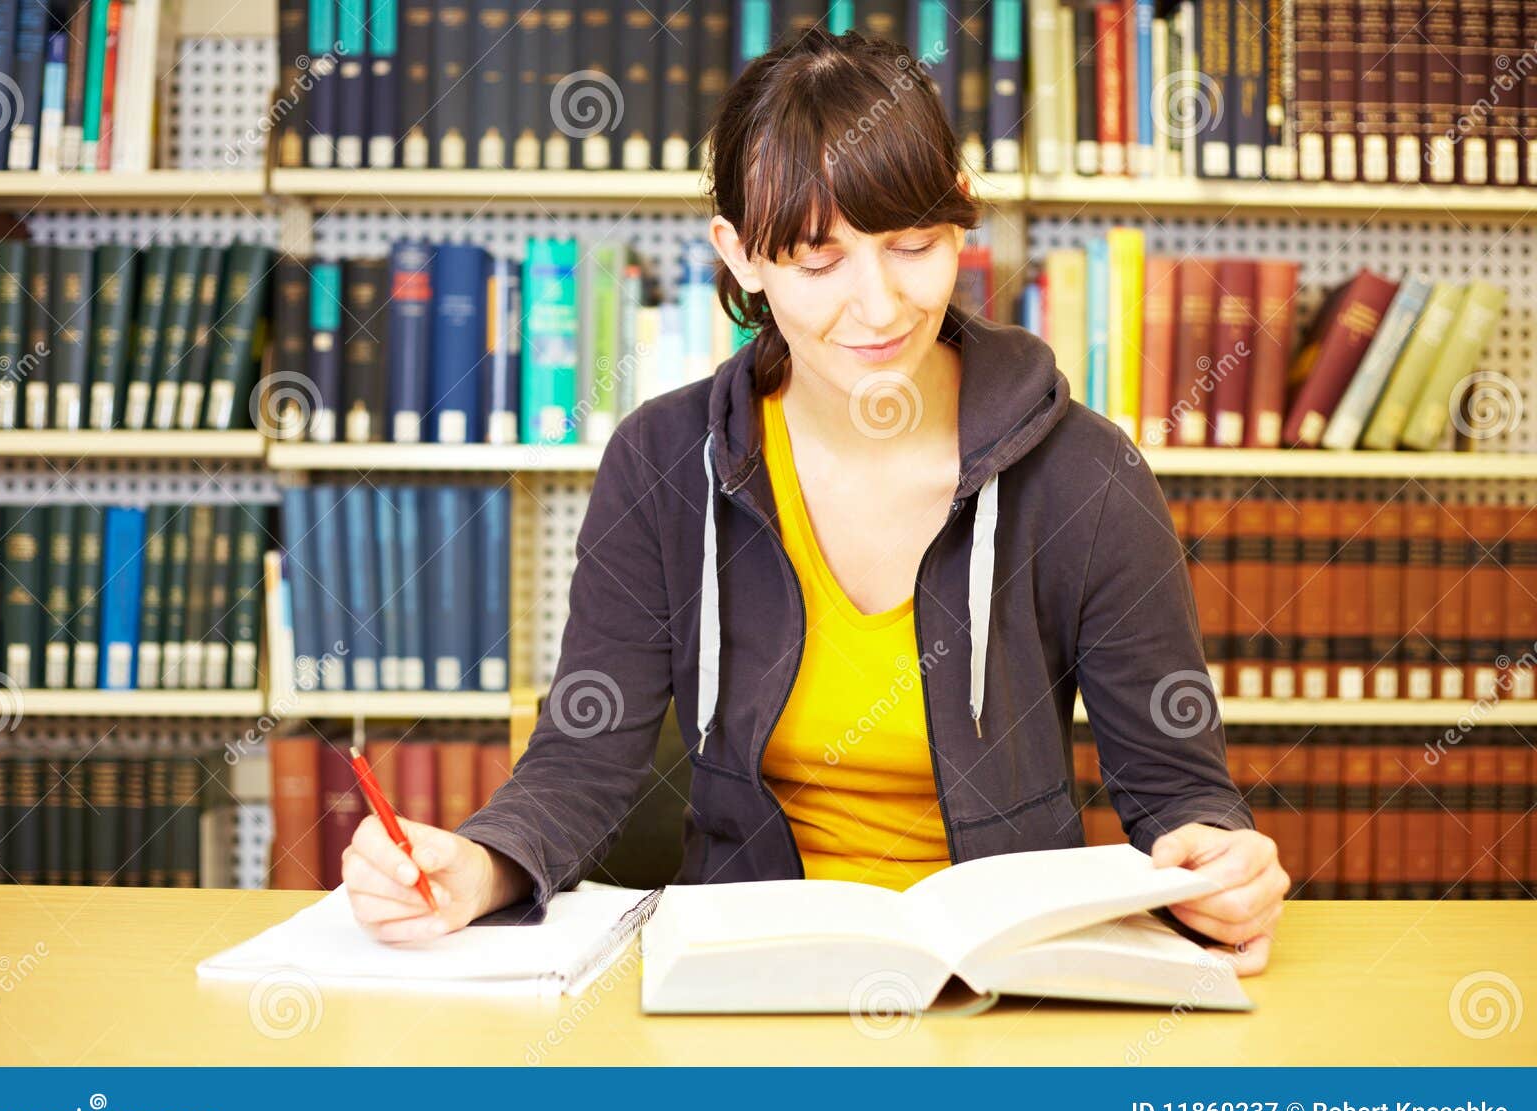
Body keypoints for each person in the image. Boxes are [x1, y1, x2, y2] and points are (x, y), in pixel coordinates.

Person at [342, 28, 1289, 975]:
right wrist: (478, 863)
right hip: (746, 973)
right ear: (742, 256)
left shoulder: (1087, 474)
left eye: (913, 245)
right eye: (817, 260)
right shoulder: (664, 460)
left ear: (960, 230)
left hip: (1010, 977)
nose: (877, 307)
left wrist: (1220, 863)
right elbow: (581, 764)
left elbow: (1177, 791)